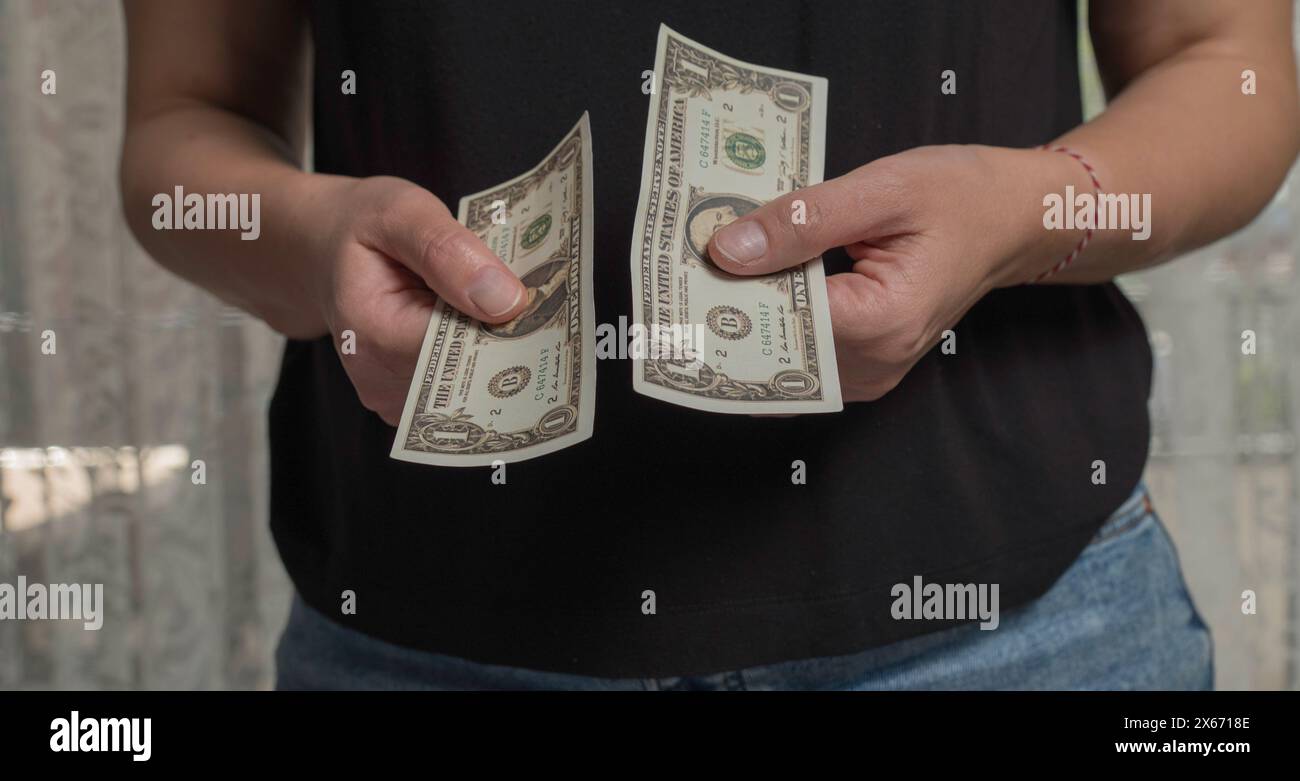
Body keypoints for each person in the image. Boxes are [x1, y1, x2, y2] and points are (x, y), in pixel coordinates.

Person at [120, 0, 1300, 690]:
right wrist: (317, 248)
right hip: (431, 638)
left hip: (1030, 627)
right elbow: (184, 120)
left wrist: (1024, 214)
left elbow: (1230, 63)